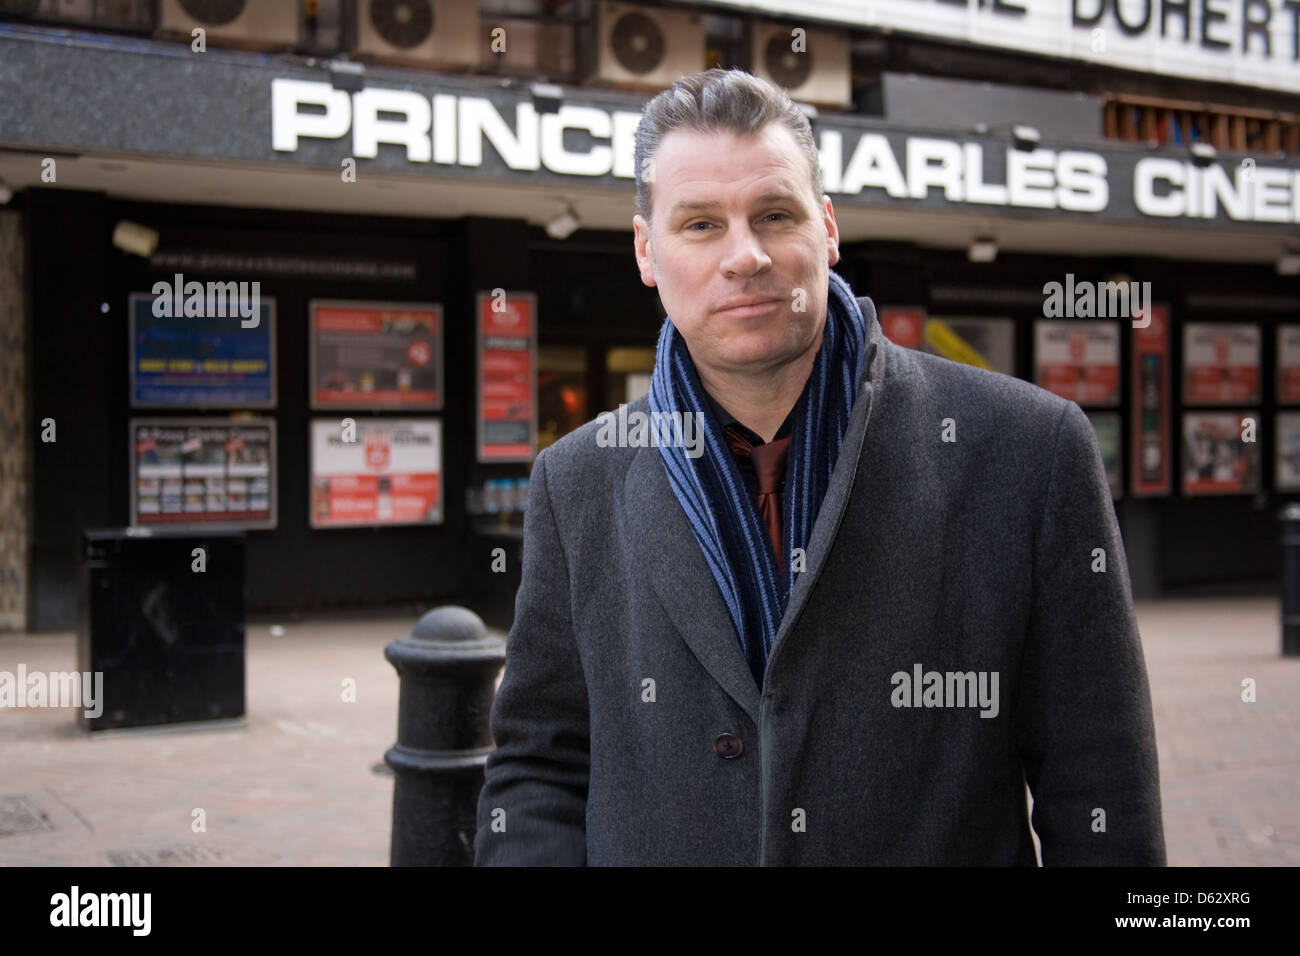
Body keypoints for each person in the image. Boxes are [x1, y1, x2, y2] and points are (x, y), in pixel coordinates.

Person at [474, 68, 1165, 866]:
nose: (746, 256)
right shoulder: (577, 480)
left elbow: (1098, 782)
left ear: (827, 228)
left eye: (774, 214)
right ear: (646, 251)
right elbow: (539, 765)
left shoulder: (1027, 448)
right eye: (700, 224)